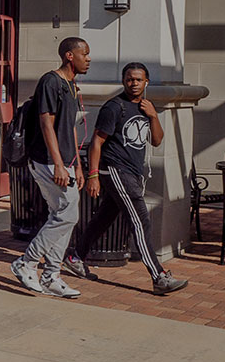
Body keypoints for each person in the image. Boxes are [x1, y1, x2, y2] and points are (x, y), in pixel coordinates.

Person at [72, 64, 189, 295]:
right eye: (129, 79)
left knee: (104, 218)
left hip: (133, 172)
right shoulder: (114, 107)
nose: (133, 83)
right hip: (115, 169)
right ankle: (159, 277)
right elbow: (96, 142)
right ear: (123, 81)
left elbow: (156, 140)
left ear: (146, 82)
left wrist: (154, 116)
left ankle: (75, 256)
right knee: (140, 220)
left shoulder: (146, 107)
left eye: (138, 79)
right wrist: (93, 175)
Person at [13, 37, 90, 298]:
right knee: (67, 215)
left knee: (64, 215)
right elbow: (47, 124)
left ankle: (51, 277)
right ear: (70, 56)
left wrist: (77, 165)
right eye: (84, 54)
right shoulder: (51, 81)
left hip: (65, 162)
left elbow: (69, 128)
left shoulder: (72, 86)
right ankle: (26, 262)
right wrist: (58, 163)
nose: (88, 59)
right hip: (46, 160)